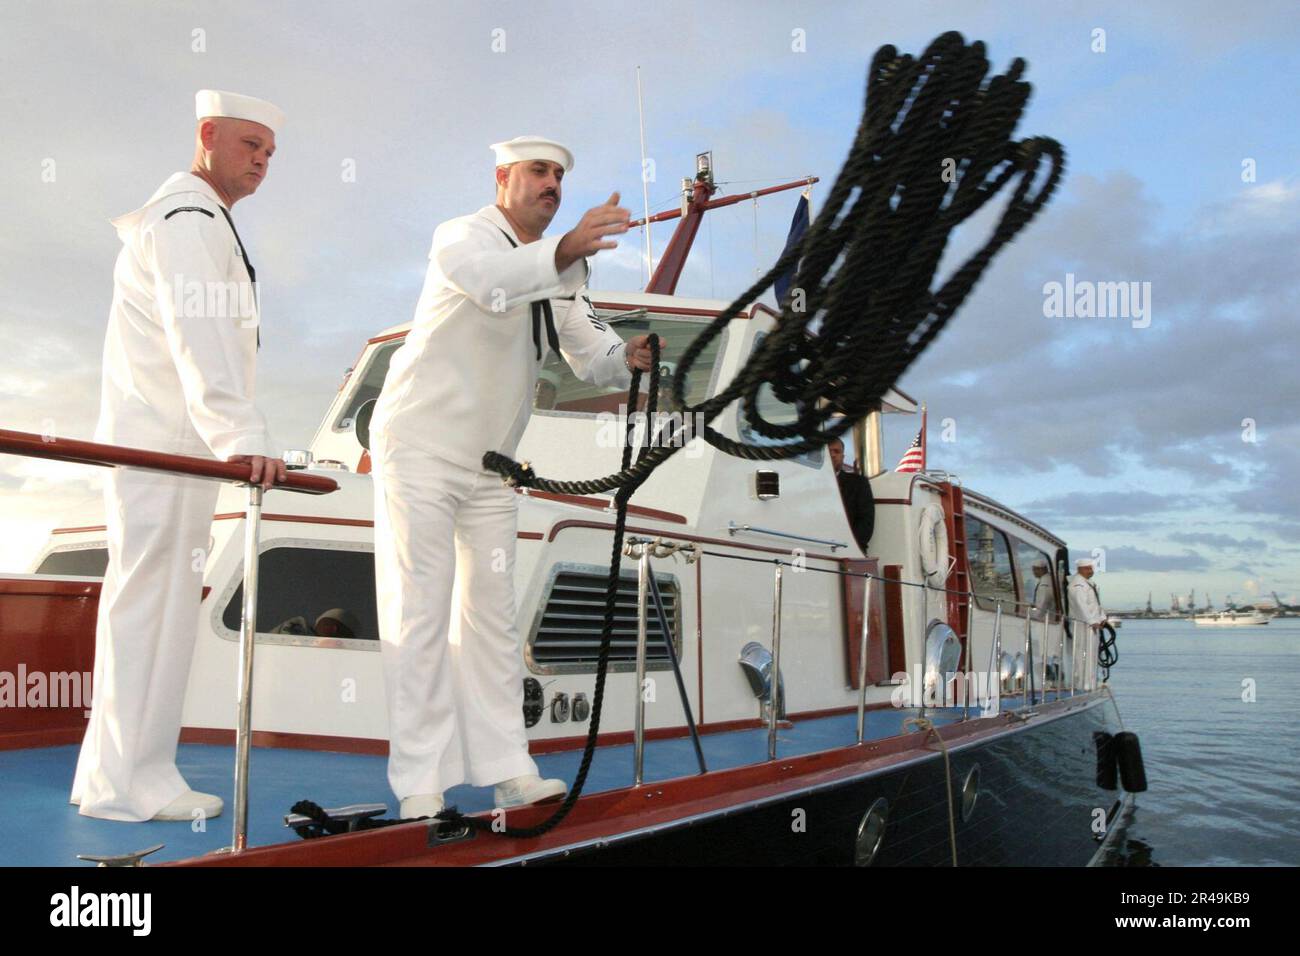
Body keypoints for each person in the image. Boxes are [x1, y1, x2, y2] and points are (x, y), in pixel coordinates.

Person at [370, 135, 658, 818]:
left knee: (492, 618)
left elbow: (589, 350)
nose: (552, 183)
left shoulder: (563, 270)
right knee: (419, 612)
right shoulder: (461, 237)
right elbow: (492, 283)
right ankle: (420, 783)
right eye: (539, 171)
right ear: (504, 177)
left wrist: (631, 358)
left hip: (493, 469)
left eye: (559, 174)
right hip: (422, 450)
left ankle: (506, 767)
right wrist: (567, 251)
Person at [71, 90, 287, 822]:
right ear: (208, 136)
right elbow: (203, 335)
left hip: (175, 446)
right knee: (150, 608)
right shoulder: (188, 218)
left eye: (269, 152)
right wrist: (245, 438)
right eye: (249, 144)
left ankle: (132, 773)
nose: (262, 160)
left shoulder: (198, 219)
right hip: (168, 446)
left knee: (158, 608)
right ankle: (123, 782)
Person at [828, 437, 874, 552]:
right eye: (829, 451)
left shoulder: (858, 483)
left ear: (843, 457)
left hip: (850, 551)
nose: (833, 455)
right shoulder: (808, 483)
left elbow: (866, 522)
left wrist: (848, 545)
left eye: (837, 451)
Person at [1067, 558, 1106, 686]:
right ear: (1080, 569)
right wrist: (1091, 621)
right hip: (1083, 625)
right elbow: (1080, 604)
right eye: (1088, 568)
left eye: (1091, 568)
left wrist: (1102, 617)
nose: (1091, 571)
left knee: (1092, 655)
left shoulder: (1088, 584)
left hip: (1093, 625)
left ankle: (1091, 682)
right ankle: (1084, 684)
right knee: (1084, 655)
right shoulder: (1078, 585)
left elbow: (1094, 604)